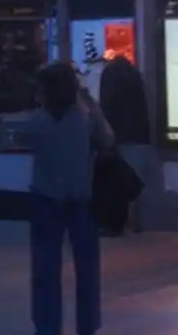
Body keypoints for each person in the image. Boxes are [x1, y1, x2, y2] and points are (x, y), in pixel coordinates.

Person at [28, 62, 114, 335]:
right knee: (87, 269)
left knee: (44, 269)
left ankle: (47, 327)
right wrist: (88, 99)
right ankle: (87, 325)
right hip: (81, 199)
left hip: (45, 199)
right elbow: (108, 139)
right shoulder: (85, 119)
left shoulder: (38, 121)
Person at [98, 57, 150, 235]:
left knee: (118, 180)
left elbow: (107, 105)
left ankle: (120, 222)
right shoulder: (135, 77)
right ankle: (137, 222)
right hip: (139, 135)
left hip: (119, 135)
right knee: (135, 179)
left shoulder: (110, 76)